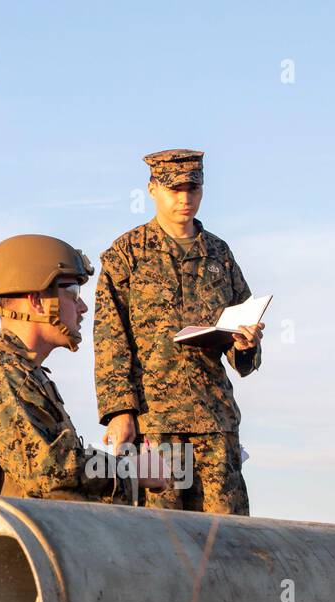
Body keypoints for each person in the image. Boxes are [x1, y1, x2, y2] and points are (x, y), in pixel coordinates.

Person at [93, 149, 263, 515]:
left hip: (214, 423)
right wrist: (119, 412)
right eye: (175, 190)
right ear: (153, 188)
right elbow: (109, 338)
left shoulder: (220, 254)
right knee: (161, 540)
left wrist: (246, 344)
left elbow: (242, 350)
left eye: (193, 190)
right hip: (154, 424)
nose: (185, 200)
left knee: (226, 537)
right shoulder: (126, 254)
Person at [0, 234, 165, 502]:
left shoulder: (20, 371)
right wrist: (133, 471)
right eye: (72, 292)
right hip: (6, 540)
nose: (82, 307)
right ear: (36, 300)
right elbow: (50, 474)